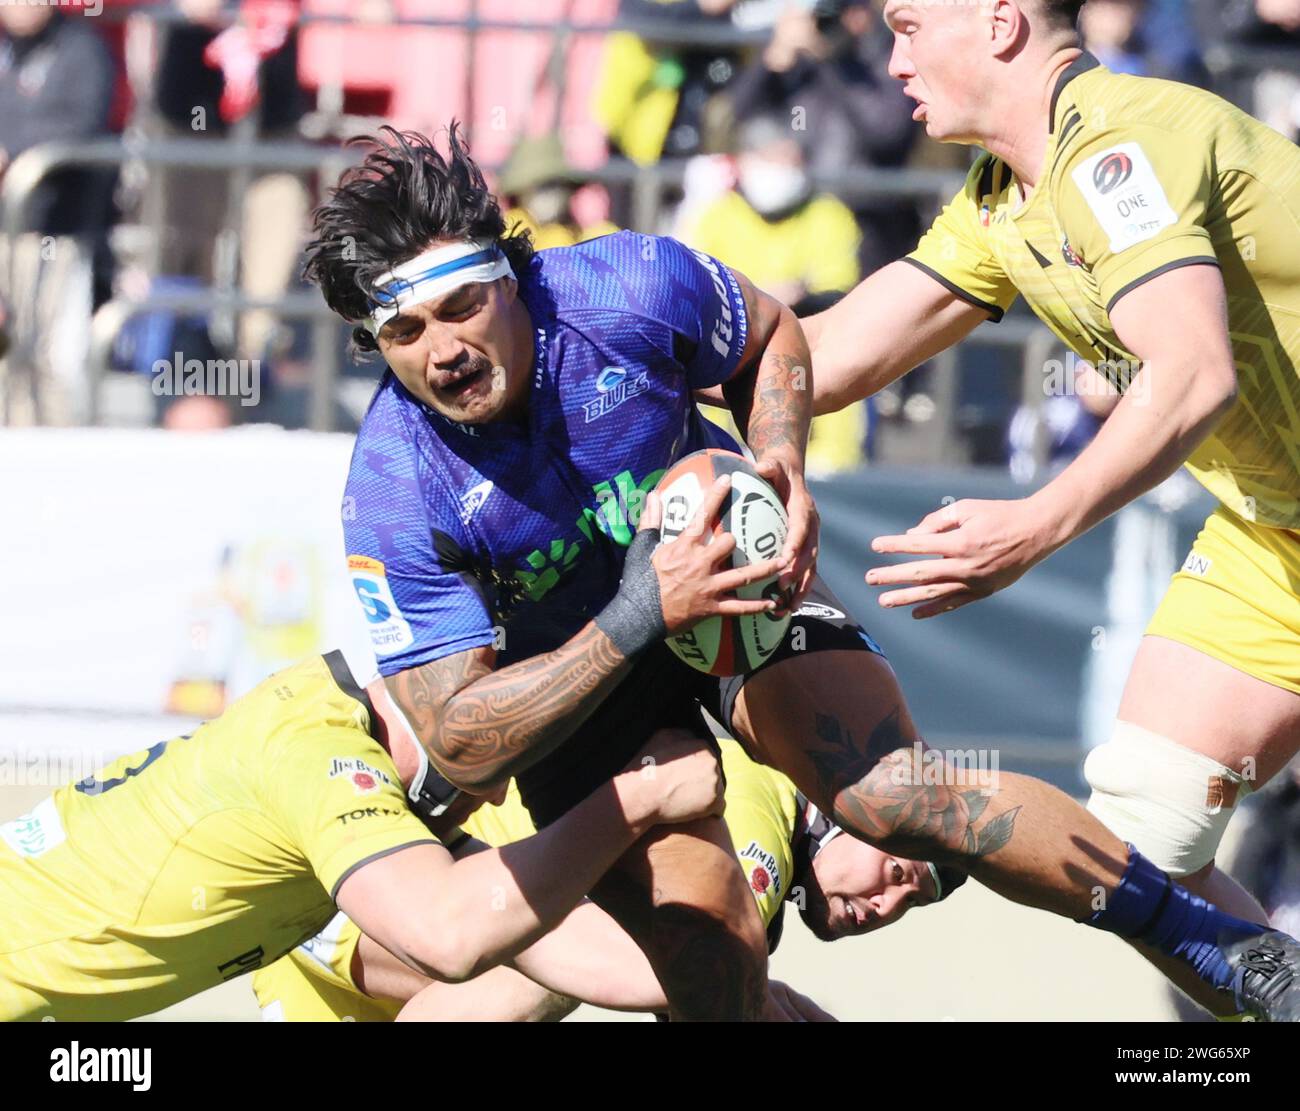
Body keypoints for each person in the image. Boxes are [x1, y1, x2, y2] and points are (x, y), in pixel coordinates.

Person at [304, 124, 1299, 1022]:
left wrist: (778, 458)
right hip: (583, 690)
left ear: (510, 278)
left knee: (899, 797)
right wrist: (639, 612)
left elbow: (771, 332)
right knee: (710, 955)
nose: (444, 350)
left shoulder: (626, 281)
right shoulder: (393, 487)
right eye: (404, 333)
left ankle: (1220, 944)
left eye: (462, 306)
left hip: (732, 588)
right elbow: (461, 740)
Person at [799, 0, 1300, 1016]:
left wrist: (1036, 522)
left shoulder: (1115, 147)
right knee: (1143, 845)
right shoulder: (1005, 196)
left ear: (998, 22)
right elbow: (831, 354)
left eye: (908, 25)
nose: (891, 60)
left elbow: (1192, 371)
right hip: (1275, 530)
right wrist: (615, 342)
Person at [0, 652, 724, 1021]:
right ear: (453, 731)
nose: (497, 797)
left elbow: (550, 942)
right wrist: (639, 796)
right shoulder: (318, 764)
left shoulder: (349, 751)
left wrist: (735, 989)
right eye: (497, 770)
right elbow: (452, 940)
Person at [252, 739, 960, 1020]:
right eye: (897, 871)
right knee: (629, 964)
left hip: (340, 943)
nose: (886, 904)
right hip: (370, 905)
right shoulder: (762, 810)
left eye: (911, 903)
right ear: (855, 814)